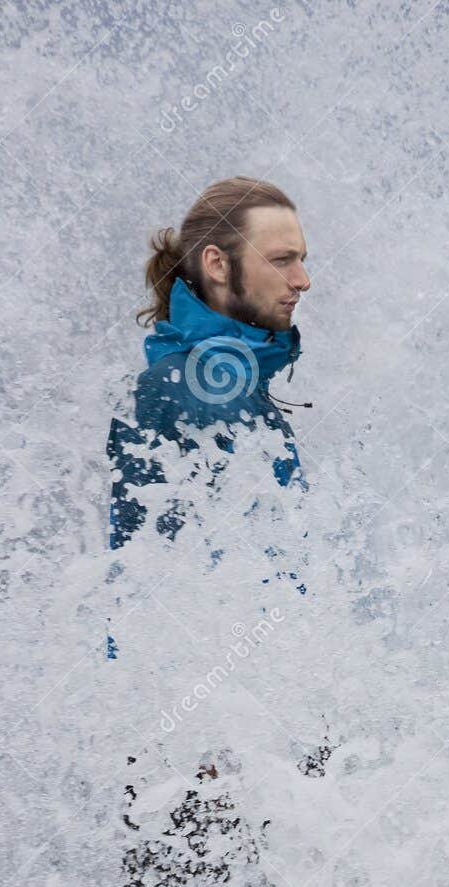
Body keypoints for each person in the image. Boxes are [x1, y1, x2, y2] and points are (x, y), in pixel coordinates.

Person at [106, 176, 312, 589]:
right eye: (281, 260)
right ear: (218, 265)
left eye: (302, 259)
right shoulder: (187, 386)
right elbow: (163, 591)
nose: (303, 279)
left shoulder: (228, 384)